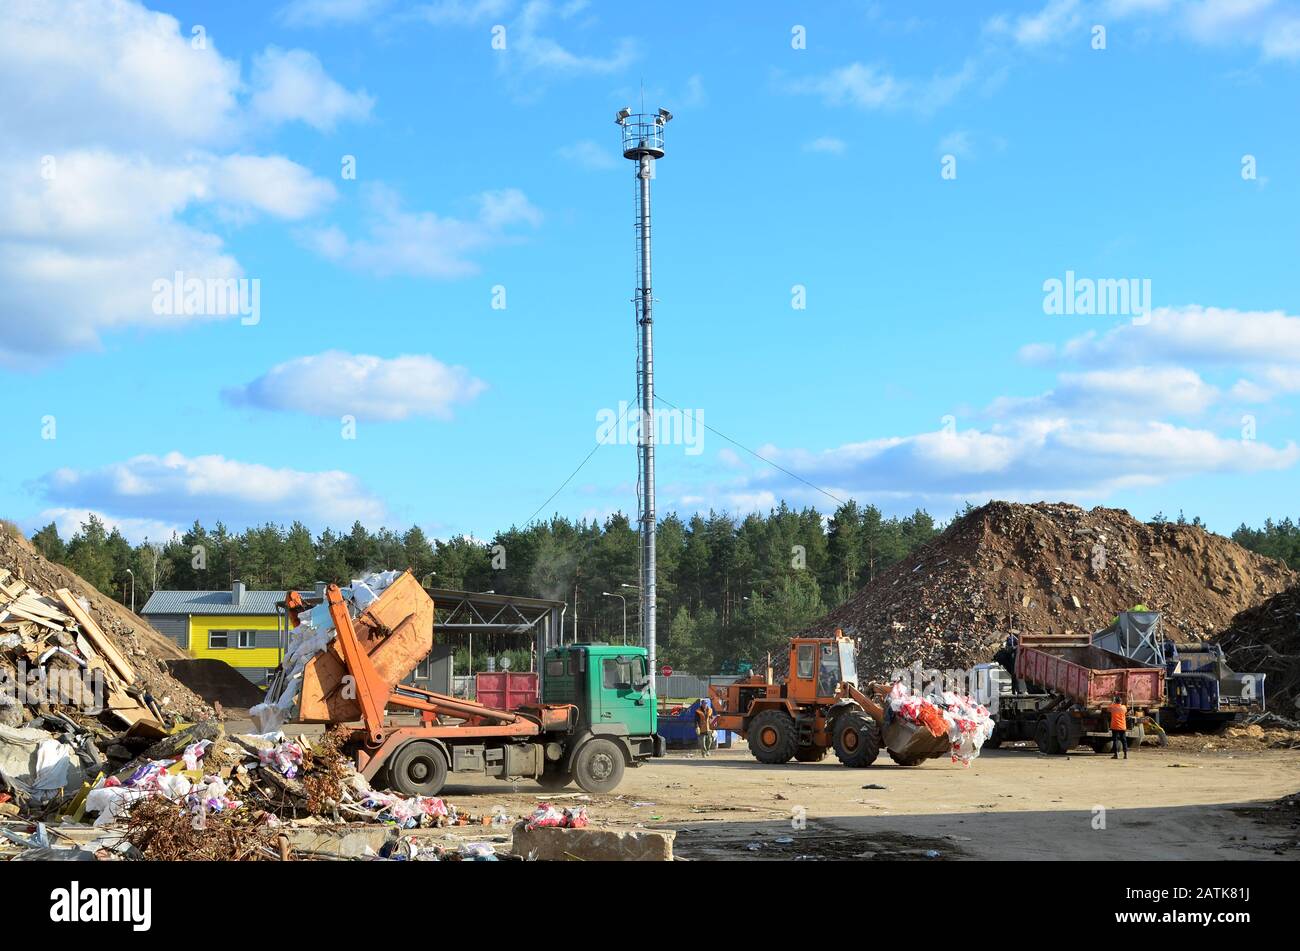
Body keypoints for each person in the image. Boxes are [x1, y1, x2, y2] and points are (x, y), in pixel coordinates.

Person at [1107, 694, 1128, 759]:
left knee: (1115, 740)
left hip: (1115, 726)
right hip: (1122, 726)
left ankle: (1116, 754)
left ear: (1115, 701)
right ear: (1121, 702)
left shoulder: (1113, 707)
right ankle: (1125, 754)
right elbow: (1126, 711)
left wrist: (1112, 702)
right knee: (1124, 740)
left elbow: (1108, 709)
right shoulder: (1124, 707)